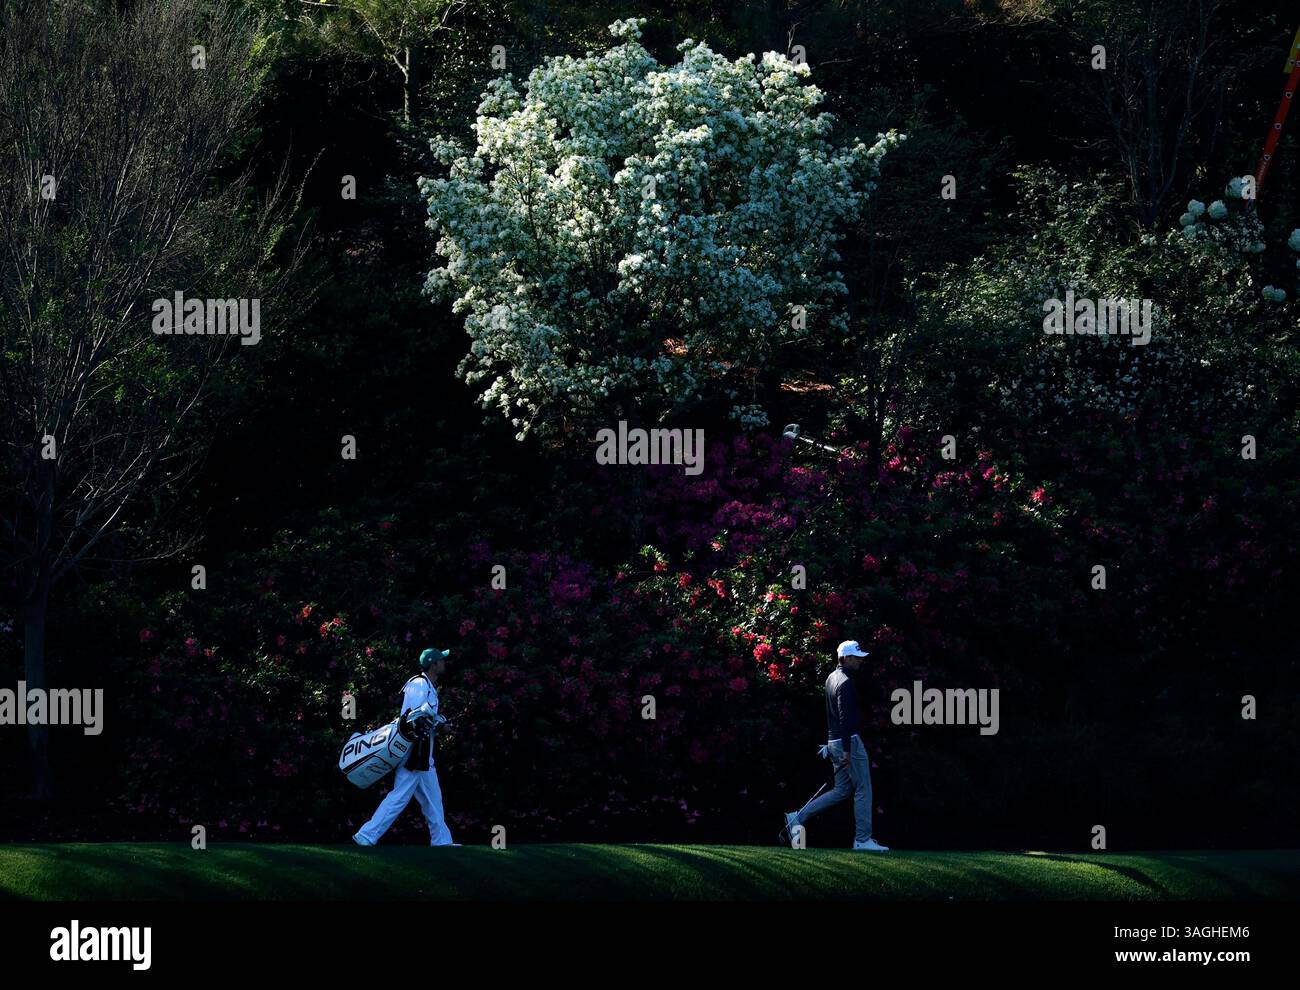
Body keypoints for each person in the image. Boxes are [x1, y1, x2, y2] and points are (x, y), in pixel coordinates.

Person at [783, 640, 889, 851]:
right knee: (863, 788)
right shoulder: (846, 682)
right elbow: (845, 719)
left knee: (841, 790)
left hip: (834, 742)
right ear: (845, 658)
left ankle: (798, 817)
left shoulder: (831, 678)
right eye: (856, 657)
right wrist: (848, 750)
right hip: (848, 742)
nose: (860, 661)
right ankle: (862, 840)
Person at [353, 647, 459, 847]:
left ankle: (442, 842)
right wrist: (438, 723)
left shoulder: (427, 685)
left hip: (422, 753)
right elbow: (414, 716)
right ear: (433, 663)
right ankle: (366, 835)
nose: (444, 663)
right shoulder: (419, 683)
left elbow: (424, 718)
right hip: (414, 751)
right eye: (441, 660)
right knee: (400, 796)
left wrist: (441, 725)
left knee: (433, 800)